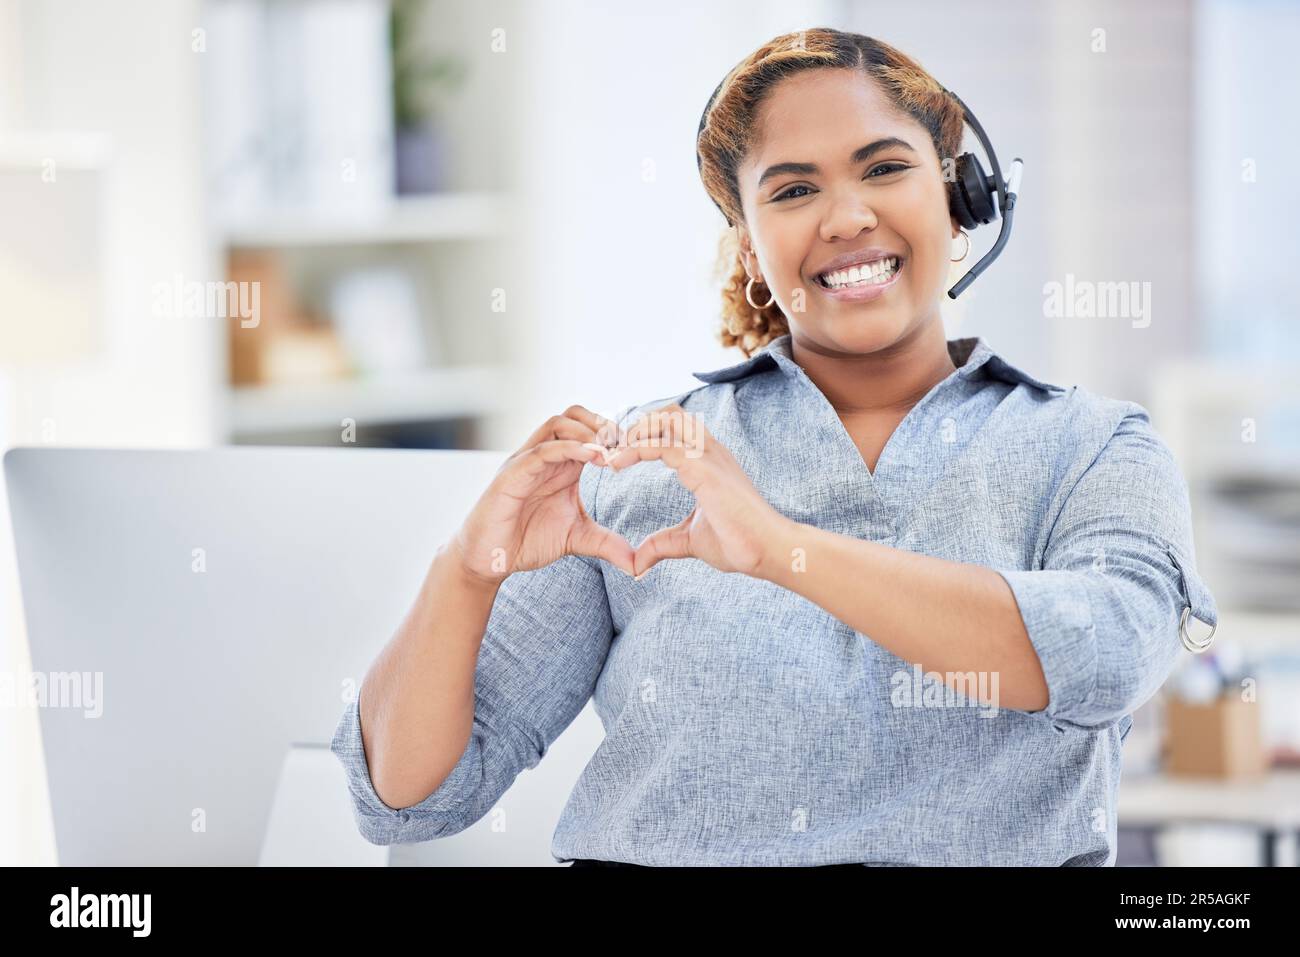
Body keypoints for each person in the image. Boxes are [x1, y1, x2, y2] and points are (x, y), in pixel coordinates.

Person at [331, 27, 1218, 867]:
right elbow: (408, 797)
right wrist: (465, 570)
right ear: (751, 251)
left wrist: (780, 549)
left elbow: (1104, 657)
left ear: (959, 204)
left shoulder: (1092, 447)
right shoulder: (639, 464)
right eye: (793, 191)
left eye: (885, 168)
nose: (846, 216)